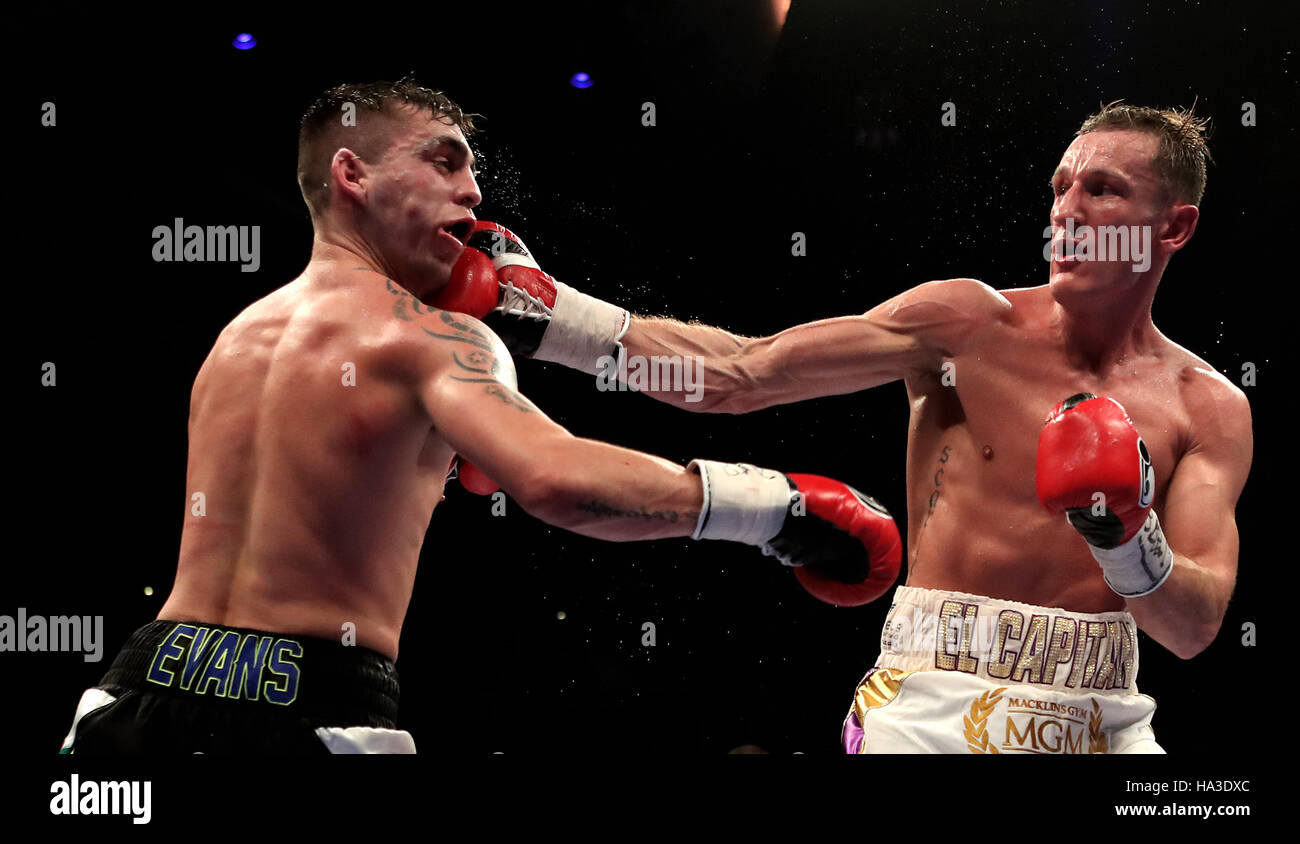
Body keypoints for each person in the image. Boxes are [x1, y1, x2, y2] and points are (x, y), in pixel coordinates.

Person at [58, 79, 900, 755]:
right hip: (309, 704)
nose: (474, 191)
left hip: (133, 696)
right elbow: (559, 481)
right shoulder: (436, 339)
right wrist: (777, 509)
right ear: (352, 175)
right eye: (444, 161)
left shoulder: (234, 339)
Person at [439, 103, 1252, 754]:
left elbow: (1194, 628)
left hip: (1108, 717)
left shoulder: (1207, 405)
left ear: (1173, 228)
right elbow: (740, 375)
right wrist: (555, 320)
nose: (1066, 212)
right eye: (1059, 188)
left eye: (1102, 190)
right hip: (936, 704)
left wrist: (1123, 539)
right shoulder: (968, 325)